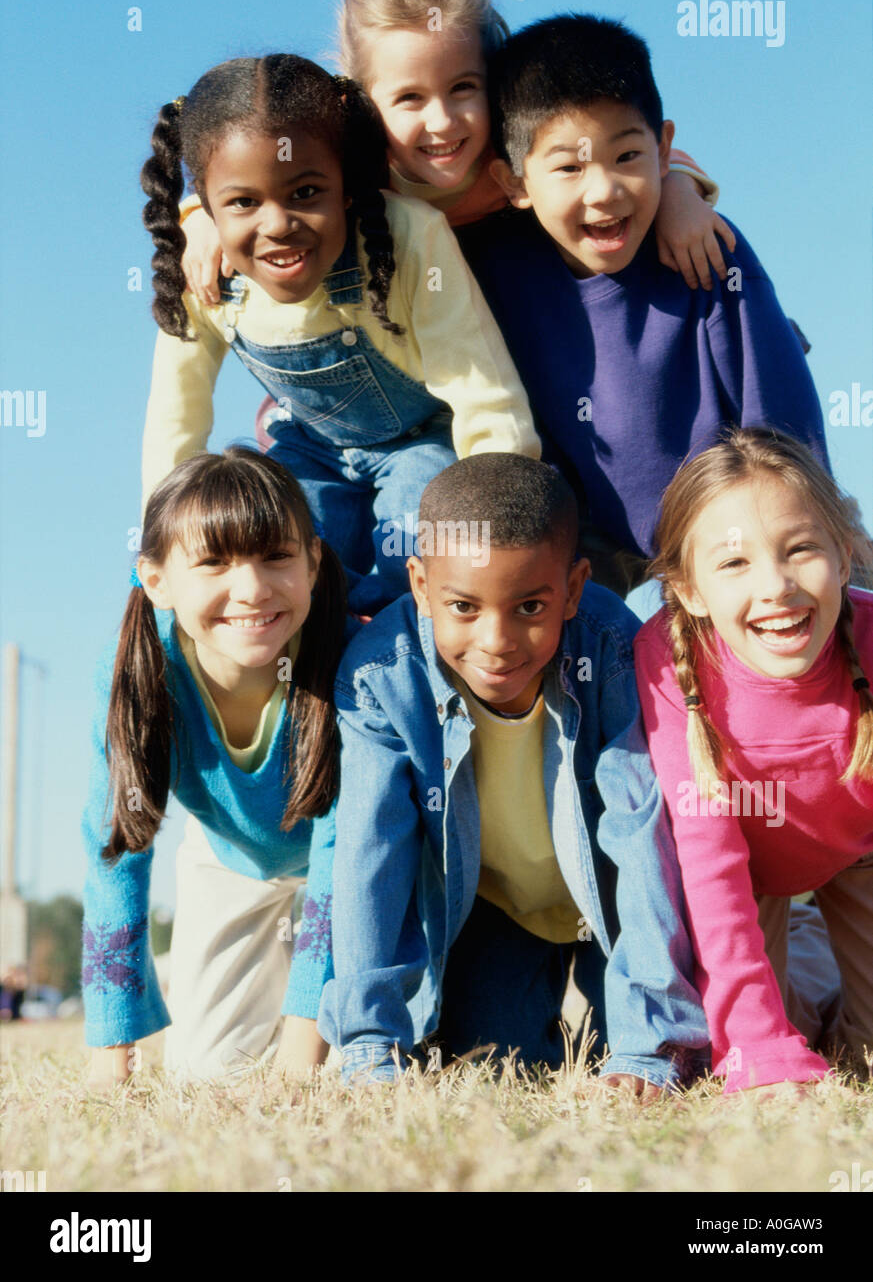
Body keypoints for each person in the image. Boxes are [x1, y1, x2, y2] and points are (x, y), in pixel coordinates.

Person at [315, 453, 709, 1095]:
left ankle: (791, 964)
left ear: (574, 588)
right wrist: (369, 1042)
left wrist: (651, 1042)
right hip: (498, 911)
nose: (497, 639)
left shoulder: (611, 648)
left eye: (530, 606)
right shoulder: (378, 677)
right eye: (463, 607)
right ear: (419, 584)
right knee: (496, 1070)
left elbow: (643, 840)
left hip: (614, 910)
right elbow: (370, 856)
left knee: (653, 1065)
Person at [140, 53, 539, 615]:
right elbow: (175, 424)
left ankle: (403, 667)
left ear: (347, 186)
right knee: (279, 557)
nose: (277, 224)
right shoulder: (200, 270)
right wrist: (163, 545)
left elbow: (481, 389)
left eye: (305, 193)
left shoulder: (408, 236)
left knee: (424, 557)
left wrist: (504, 521)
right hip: (310, 448)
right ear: (205, 207)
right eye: (243, 202)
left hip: (421, 440)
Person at [459, 13, 828, 597]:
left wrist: (799, 529)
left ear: (664, 149)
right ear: (514, 183)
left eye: (627, 157)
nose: (603, 189)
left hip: (735, 520)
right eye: (569, 167)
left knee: (838, 605)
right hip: (592, 537)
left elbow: (778, 409)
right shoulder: (491, 269)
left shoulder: (706, 249)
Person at [180, 0, 727, 307]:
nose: (441, 120)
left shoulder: (521, 153)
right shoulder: (356, 161)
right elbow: (257, 176)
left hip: (522, 324)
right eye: (410, 98)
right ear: (362, 102)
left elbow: (621, 151)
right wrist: (200, 220)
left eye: (463, 88)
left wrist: (680, 192)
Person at [82, 447, 345, 1087]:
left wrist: (302, 1049)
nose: (251, 589)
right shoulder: (142, 678)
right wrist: (110, 1053)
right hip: (233, 860)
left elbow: (349, 858)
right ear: (156, 580)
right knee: (207, 1075)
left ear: (313, 559)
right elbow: (117, 847)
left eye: (276, 556)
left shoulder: (354, 661)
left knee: (362, 1064)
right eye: (214, 563)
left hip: (363, 873)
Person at [634, 427, 873, 1093]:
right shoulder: (670, 664)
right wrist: (760, 1050)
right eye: (734, 564)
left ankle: (819, 950)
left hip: (858, 850)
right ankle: (801, 947)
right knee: (762, 1045)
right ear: (688, 589)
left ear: (844, 556)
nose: (775, 586)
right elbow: (709, 866)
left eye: (800, 550)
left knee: (863, 1064)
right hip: (749, 872)